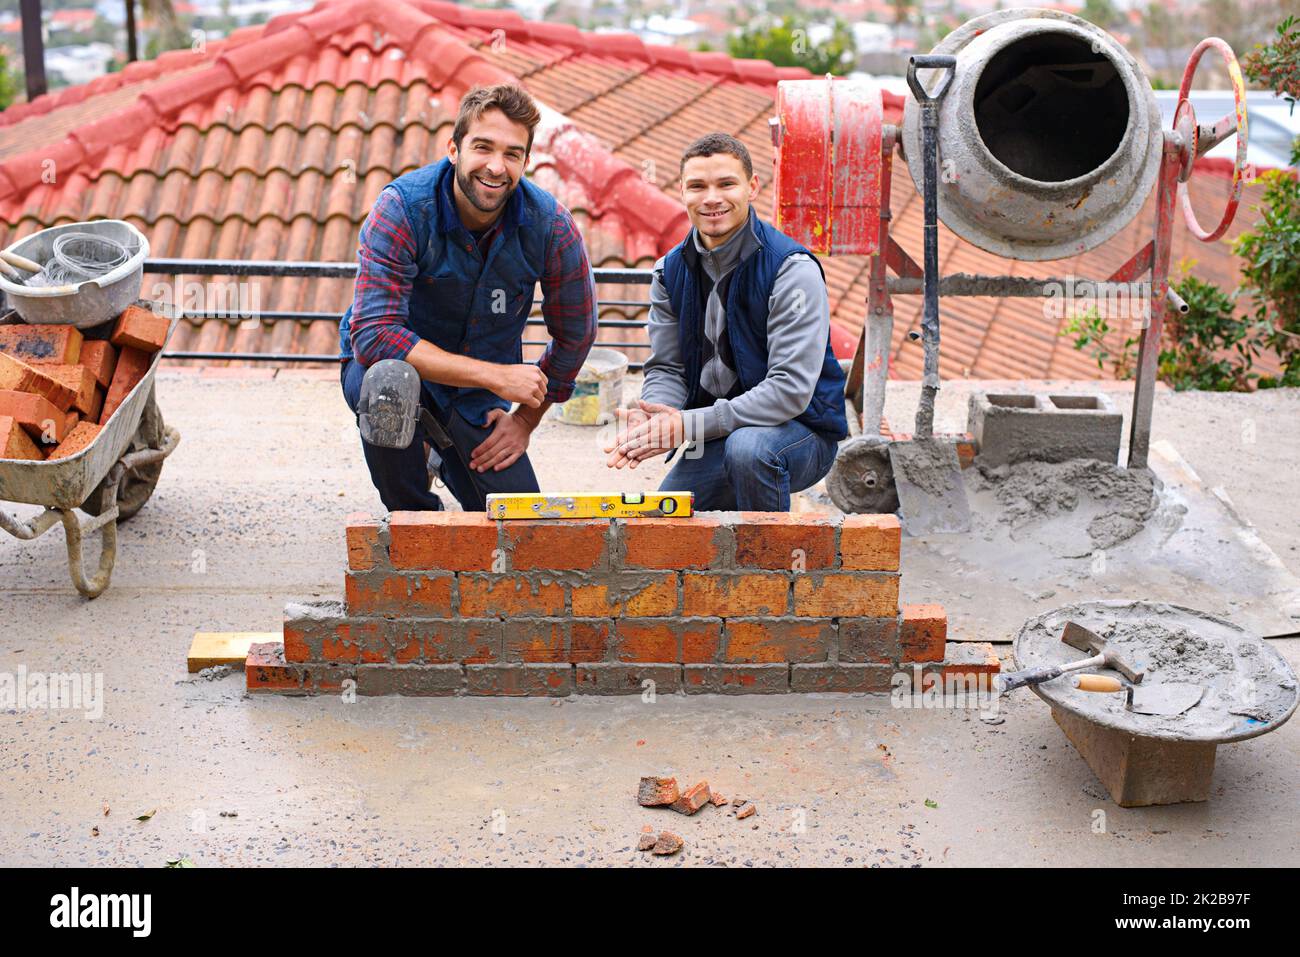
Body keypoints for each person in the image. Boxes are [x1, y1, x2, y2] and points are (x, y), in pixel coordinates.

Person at [339, 83, 597, 511]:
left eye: (512, 154)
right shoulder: (402, 209)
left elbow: (577, 332)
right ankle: (414, 514)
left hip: (475, 400)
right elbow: (376, 335)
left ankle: (442, 451)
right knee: (389, 387)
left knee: (519, 526)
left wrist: (524, 421)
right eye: (483, 147)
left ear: (526, 162)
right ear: (454, 149)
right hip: (397, 374)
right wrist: (495, 376)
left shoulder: (550, 225)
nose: (496, 167)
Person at [605, 132, 847, 510]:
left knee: (749, 451)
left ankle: (769, 562)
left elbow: (790, 390)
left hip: (801, 433)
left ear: (752, 187)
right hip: (720, 430)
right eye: (697, 186)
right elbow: (668, 367)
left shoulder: (790, 270)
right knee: (669, 519)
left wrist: (687, 426)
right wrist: (652, 414)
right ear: (682, 191)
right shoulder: (669, 272)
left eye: (726, 184)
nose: (711, 198)